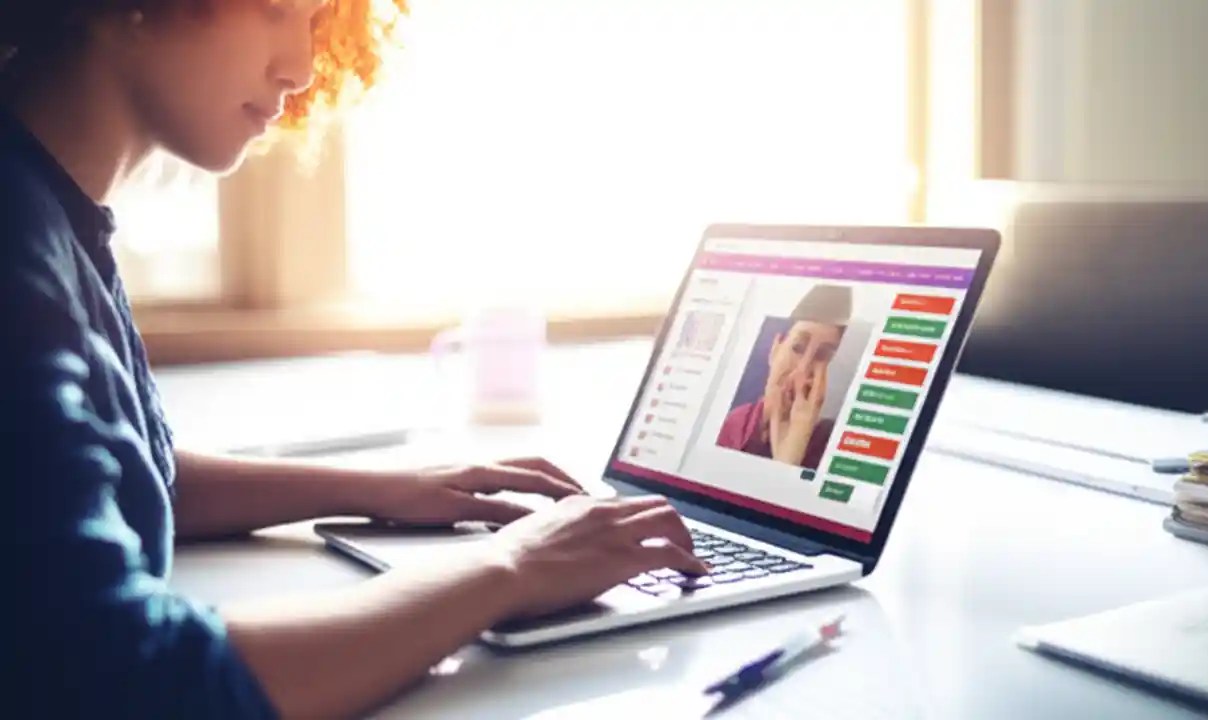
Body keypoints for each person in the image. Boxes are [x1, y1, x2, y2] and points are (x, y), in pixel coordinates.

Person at [1, 2, 706, 718]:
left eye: (315, 22)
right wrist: (512, 566)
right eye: (278, 9)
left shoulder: (50, 206)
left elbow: (118, 479)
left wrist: (380, 489)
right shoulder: (15, 239)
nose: (303, 67)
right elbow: (123, 676)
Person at [717, 284, 852, 469]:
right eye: (797, 347)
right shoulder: (734, 423)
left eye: (822, 356)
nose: (802, 371)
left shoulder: (833, 446)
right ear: (775, 349)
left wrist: (789, 460)